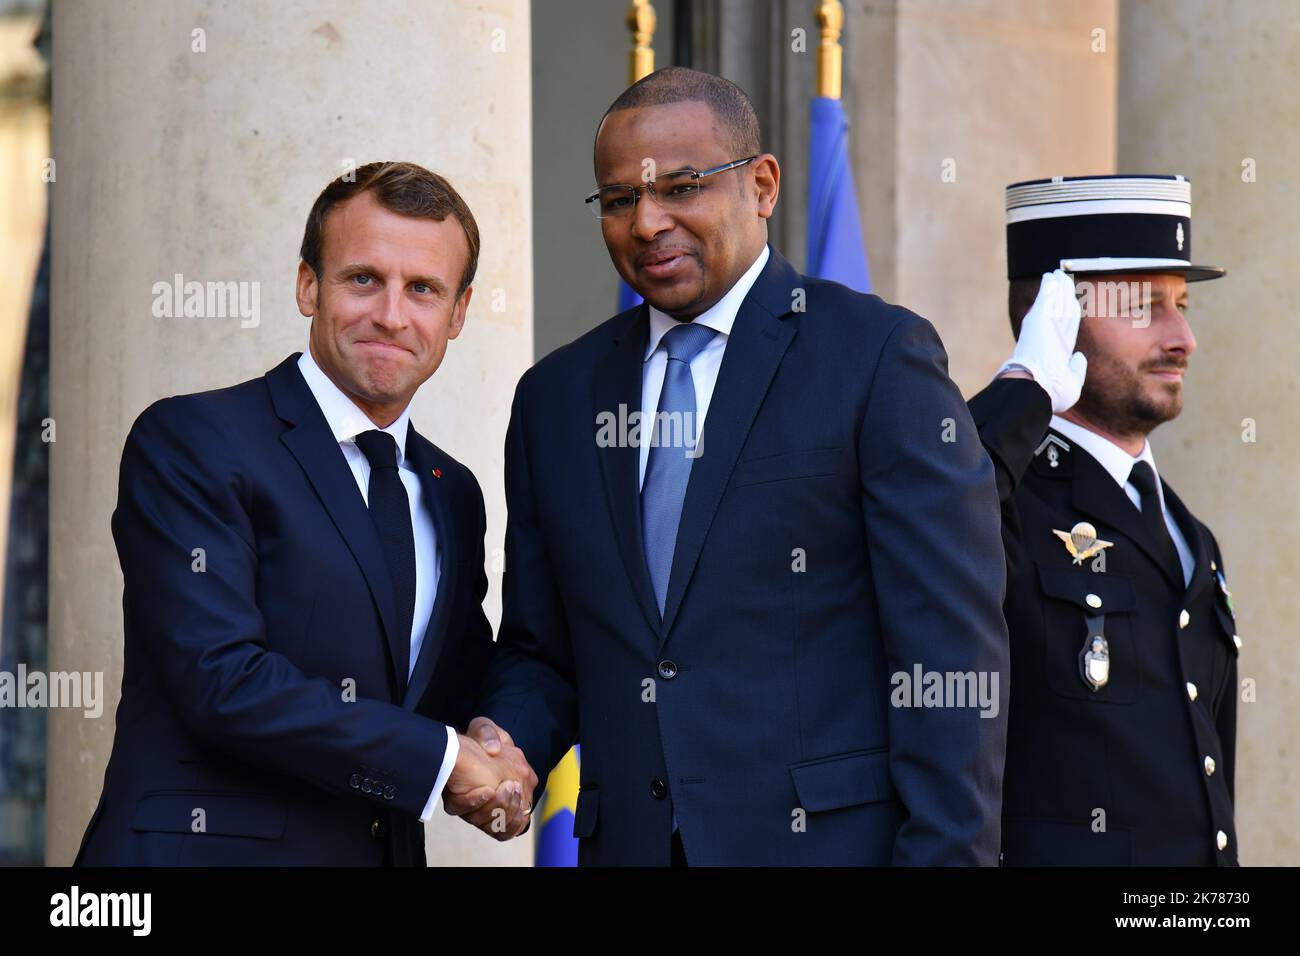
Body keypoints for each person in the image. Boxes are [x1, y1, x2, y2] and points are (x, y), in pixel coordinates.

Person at [460, 68, 1010, 865]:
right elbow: (545, 651)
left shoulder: (875, 358)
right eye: (618, 200)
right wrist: (503, 741)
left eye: (680, 187)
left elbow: (949, 658)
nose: (647, 222)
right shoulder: (555, 398)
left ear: (762, 185)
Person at [75, 161, 533, 866]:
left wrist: (500, 746)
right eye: (362, 280)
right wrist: (447, 760)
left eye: (423, 289)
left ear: (459, 313)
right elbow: (222, 680)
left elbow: (452, 687)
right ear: (307, 286)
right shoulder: (193, 440)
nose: (391, 314)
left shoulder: (451, 491)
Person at [969, 173, 1238, 865]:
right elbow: (933, 518)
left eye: (1181, 304)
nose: (1184, 338)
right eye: (1146, 305)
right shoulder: (1001, 498)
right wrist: (1020, 390)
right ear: (1053, 317)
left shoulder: (1187, 535)